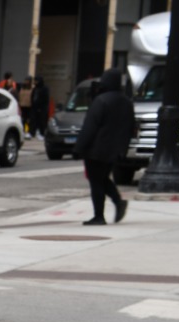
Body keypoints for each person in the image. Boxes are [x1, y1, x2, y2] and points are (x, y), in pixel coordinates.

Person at [75, 68, 134, 225]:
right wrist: (123, 148)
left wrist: (79, 147)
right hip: (114, 149)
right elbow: (130, 128)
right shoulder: (127, 102)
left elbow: (90, 127)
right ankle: (118, 202)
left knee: (96, 181)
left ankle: (99, 215)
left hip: (96, 148)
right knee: (101, 178)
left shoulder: (101, 101)